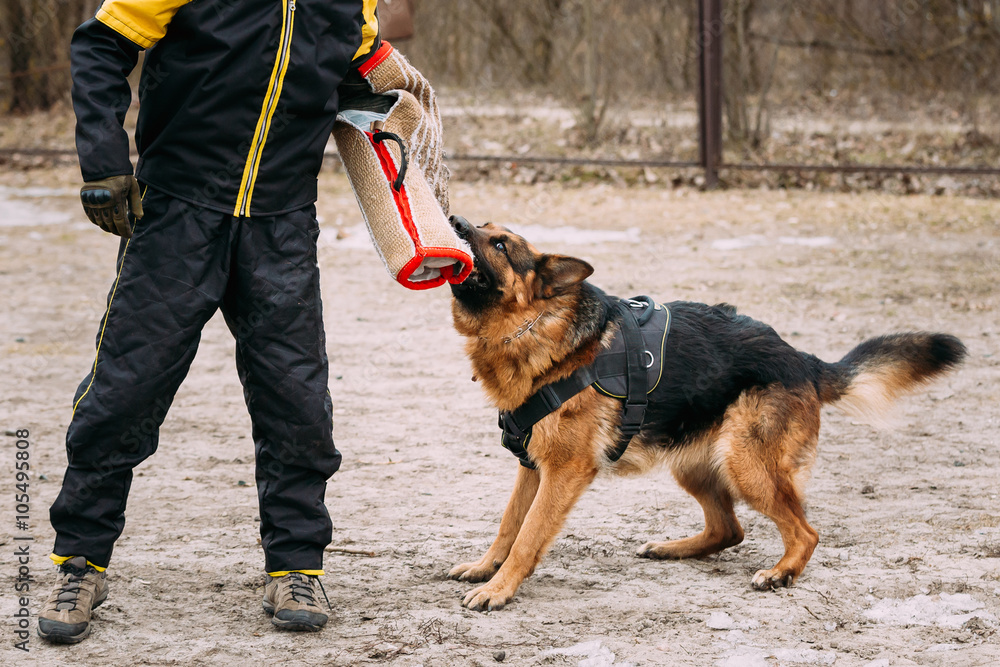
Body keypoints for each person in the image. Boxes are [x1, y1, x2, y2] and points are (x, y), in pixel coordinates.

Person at [39, 0, 398, 642]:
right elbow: (100, 47)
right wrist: (103, 160)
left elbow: (358, 70)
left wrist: (396, 111)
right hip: (177, 211)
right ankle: (80, 563)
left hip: (283, 221)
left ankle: (296, 565)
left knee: (298, 403)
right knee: (125, 390)